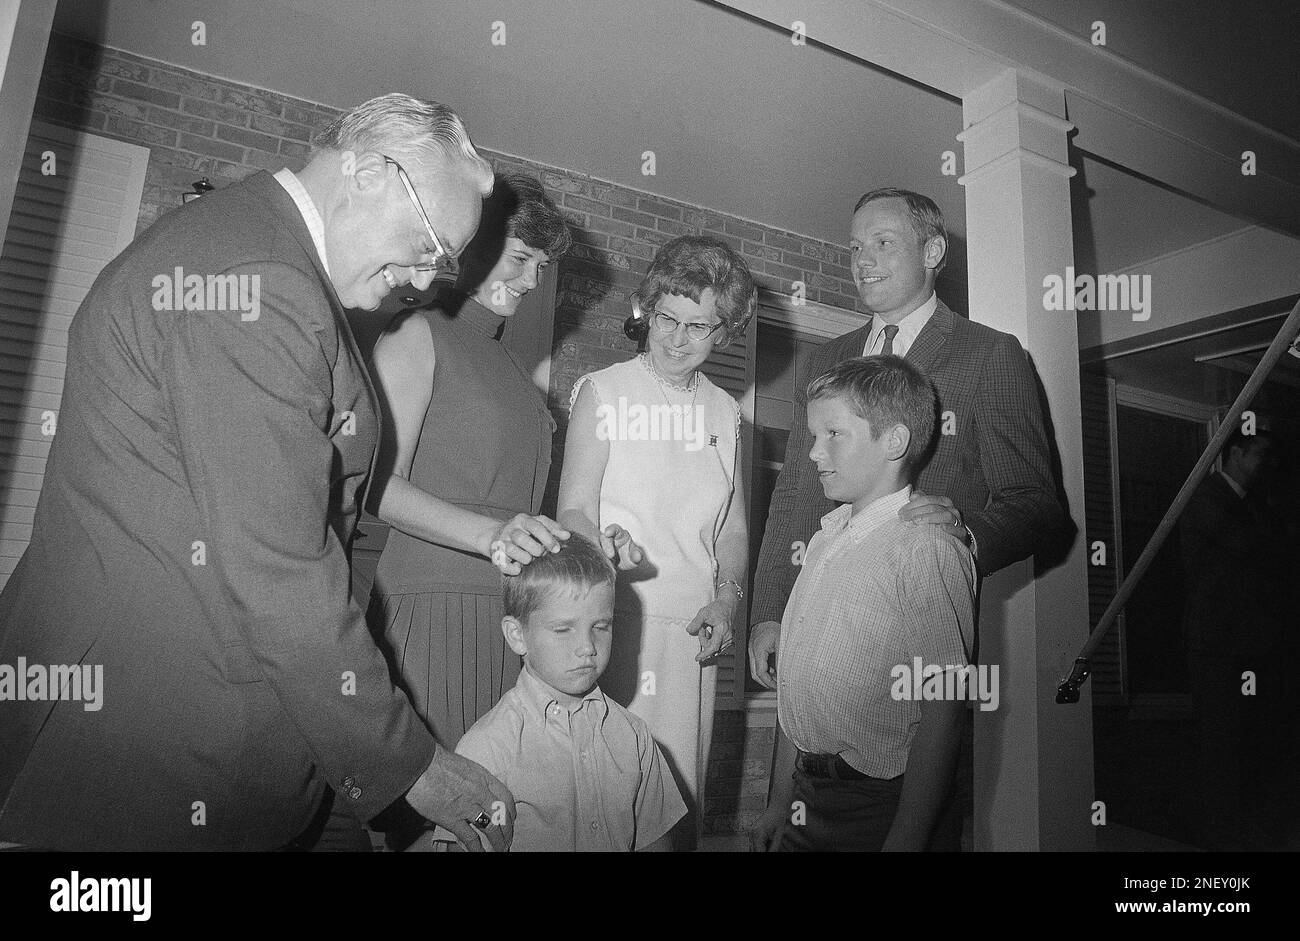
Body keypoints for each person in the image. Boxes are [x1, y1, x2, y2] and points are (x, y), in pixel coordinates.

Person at [0, 94, 516, 851]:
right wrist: (411, 766)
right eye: (432, 245)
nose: (429, 279)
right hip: (148, 747)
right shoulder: (261, 281)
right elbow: (280, 567)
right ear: (370, 171)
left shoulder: (252, 248)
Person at [748, 188, 1067, 849]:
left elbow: (1040, 507)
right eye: (855, 246)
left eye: (882, 243)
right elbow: (793, 500)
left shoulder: (990, 355)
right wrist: (770, 610)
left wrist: (964, 530)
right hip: (820, 646)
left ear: (933, 251)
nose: (862, 260)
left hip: (909, 671)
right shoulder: (824, 360)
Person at [557, 235, 754, 846]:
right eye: (667, 317)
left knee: (675, 811)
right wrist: (600, 546)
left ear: (722, 332)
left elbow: (735, 528)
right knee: (608, 808)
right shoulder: (604, 389)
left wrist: (728, 599)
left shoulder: (726, 412)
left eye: (699, 325)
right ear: (646, 309)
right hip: (618, 623)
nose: (677, 338)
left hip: (692, 633)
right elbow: (574, 506)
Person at [368, 172, 574, 753]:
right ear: (475, 247)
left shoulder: (512, 370)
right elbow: (379, 487)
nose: (532, 280)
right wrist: (492, 535)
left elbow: (519, 508)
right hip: (435, 608)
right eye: (521, 258)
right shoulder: (417, 332)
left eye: (541, 267)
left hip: (508, 615)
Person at [750, 356, 975, 851]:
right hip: (809, 797)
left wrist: (907, 839)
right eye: (812, 435)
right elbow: (798, 690)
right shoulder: (825, 540)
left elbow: (944, 708)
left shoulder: (925, 547)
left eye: (833, 434)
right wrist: (778, 805)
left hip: (879, 804)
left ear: (893, 441)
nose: (813, 452)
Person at [429, 534, 686, 851]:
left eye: (601, 626)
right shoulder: (486, 749)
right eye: (564, 629)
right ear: (517, 635)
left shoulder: (634, 736)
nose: (587, 647)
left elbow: (658, 843)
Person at [1179, 427, 1284, 849]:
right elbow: (1249, 549)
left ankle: (1235, 823)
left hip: (1243, 642)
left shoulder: (1247, 504)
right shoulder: (1207, 498)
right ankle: (1217, 830)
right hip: (1216, 641)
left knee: (1241, 735)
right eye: (1258, 455)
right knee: (1220, 737)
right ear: (1235, 454)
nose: (1264, 465)